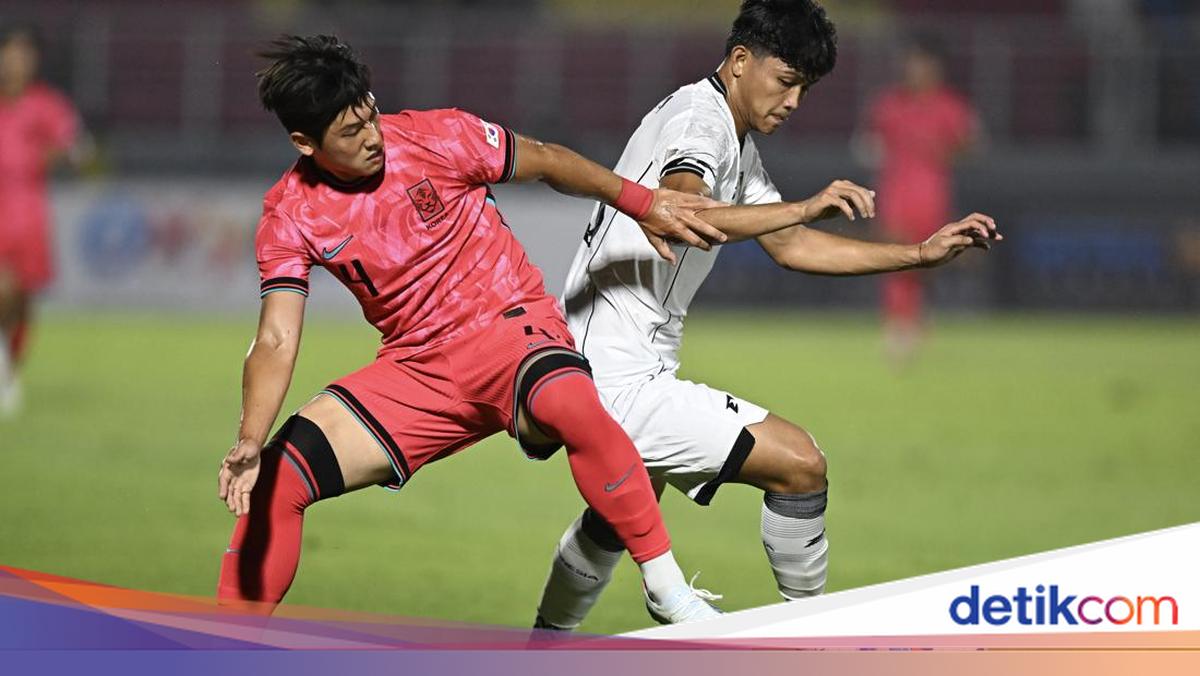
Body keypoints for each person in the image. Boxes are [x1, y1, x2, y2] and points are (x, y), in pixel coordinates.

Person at [215, 34, 730, 624]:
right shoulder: (291, 213)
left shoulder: (436, 137)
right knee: (277, 478)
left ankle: (669, 592)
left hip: (510, 326)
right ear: (305, 143)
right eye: (350, 133)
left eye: (370, 115)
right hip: (416, 368)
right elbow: (276, 338)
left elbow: (547, 160)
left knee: (571, 401)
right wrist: (251, 439)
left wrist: (643, 202)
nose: (372, 137)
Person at [532, 0, 999, 631]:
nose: (794, 101)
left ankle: (543, 647)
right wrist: (804, 207)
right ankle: (812, 637)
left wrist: (918, 253)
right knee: (801, 463)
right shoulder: (700, 121)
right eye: (785, 82)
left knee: (617, 518)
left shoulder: (734, 137)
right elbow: (685, 209)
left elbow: (791, 246)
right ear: (739, 61)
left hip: (617, 359)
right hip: (612, 372)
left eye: (804, 89)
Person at [859, 33, 980, 367]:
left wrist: (946, 151)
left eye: (921, 64)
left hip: (931, 193)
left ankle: (912, 321)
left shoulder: (950, 107)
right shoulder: (889, 104)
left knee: (923, 260)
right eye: (910, 63)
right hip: (895, 190)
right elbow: (871, 145)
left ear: (935, 68)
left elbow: (969, 144)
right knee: (896, 257)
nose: (915, 70)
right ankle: (900, 327)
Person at [0, 24, 81, 416]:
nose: (18, 61)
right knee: (4, 289)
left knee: (23, 303)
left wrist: (65, 155)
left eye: (25, 53)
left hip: (28, 211)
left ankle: (8, 372)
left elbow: (75, 146)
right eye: (12, 52)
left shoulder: (46, 104)